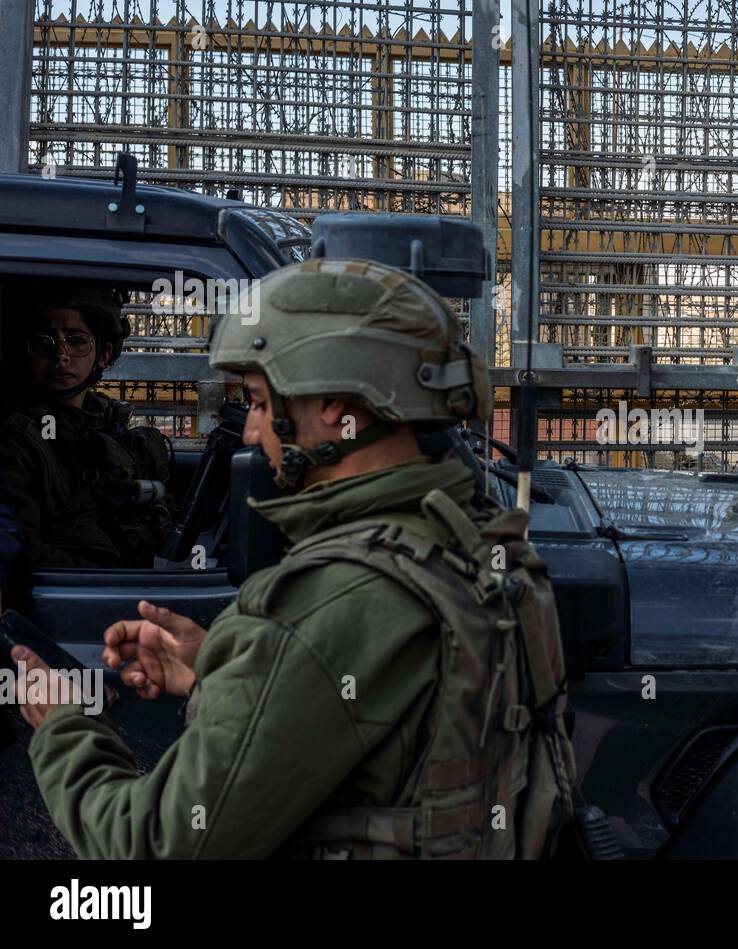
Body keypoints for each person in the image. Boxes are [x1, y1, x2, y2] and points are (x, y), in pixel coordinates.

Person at [12, 258, 575, 859]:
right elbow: (399, 731)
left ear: (334, 404)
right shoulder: (477, 545)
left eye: (257, 401)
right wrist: (224, 671)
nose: (253, 433)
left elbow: (154, 845)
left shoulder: (336, 594)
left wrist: (65, 725)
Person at [0, 286, 173, 567]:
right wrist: (104, 580)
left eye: (77, 340)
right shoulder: (17, 441)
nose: (61, 355)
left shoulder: (100, 421)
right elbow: (23, 554)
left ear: (104, 354)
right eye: (44, 342)